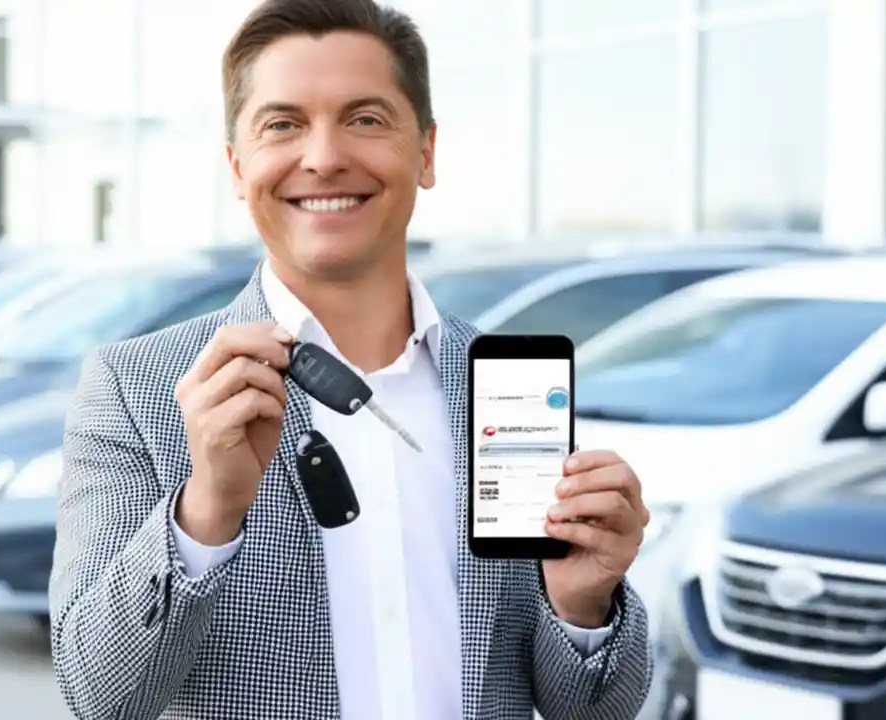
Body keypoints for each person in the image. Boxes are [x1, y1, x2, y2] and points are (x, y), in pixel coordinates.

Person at [50, 0, 653, 718]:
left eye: (366, 119)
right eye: (283, 124)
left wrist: (583, 605)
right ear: (238, 167)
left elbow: (591, 712)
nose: (325, 155)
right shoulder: (134, 389)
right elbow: (99, 698)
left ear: (425, 153)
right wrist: (206, 510)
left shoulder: (506, 387)